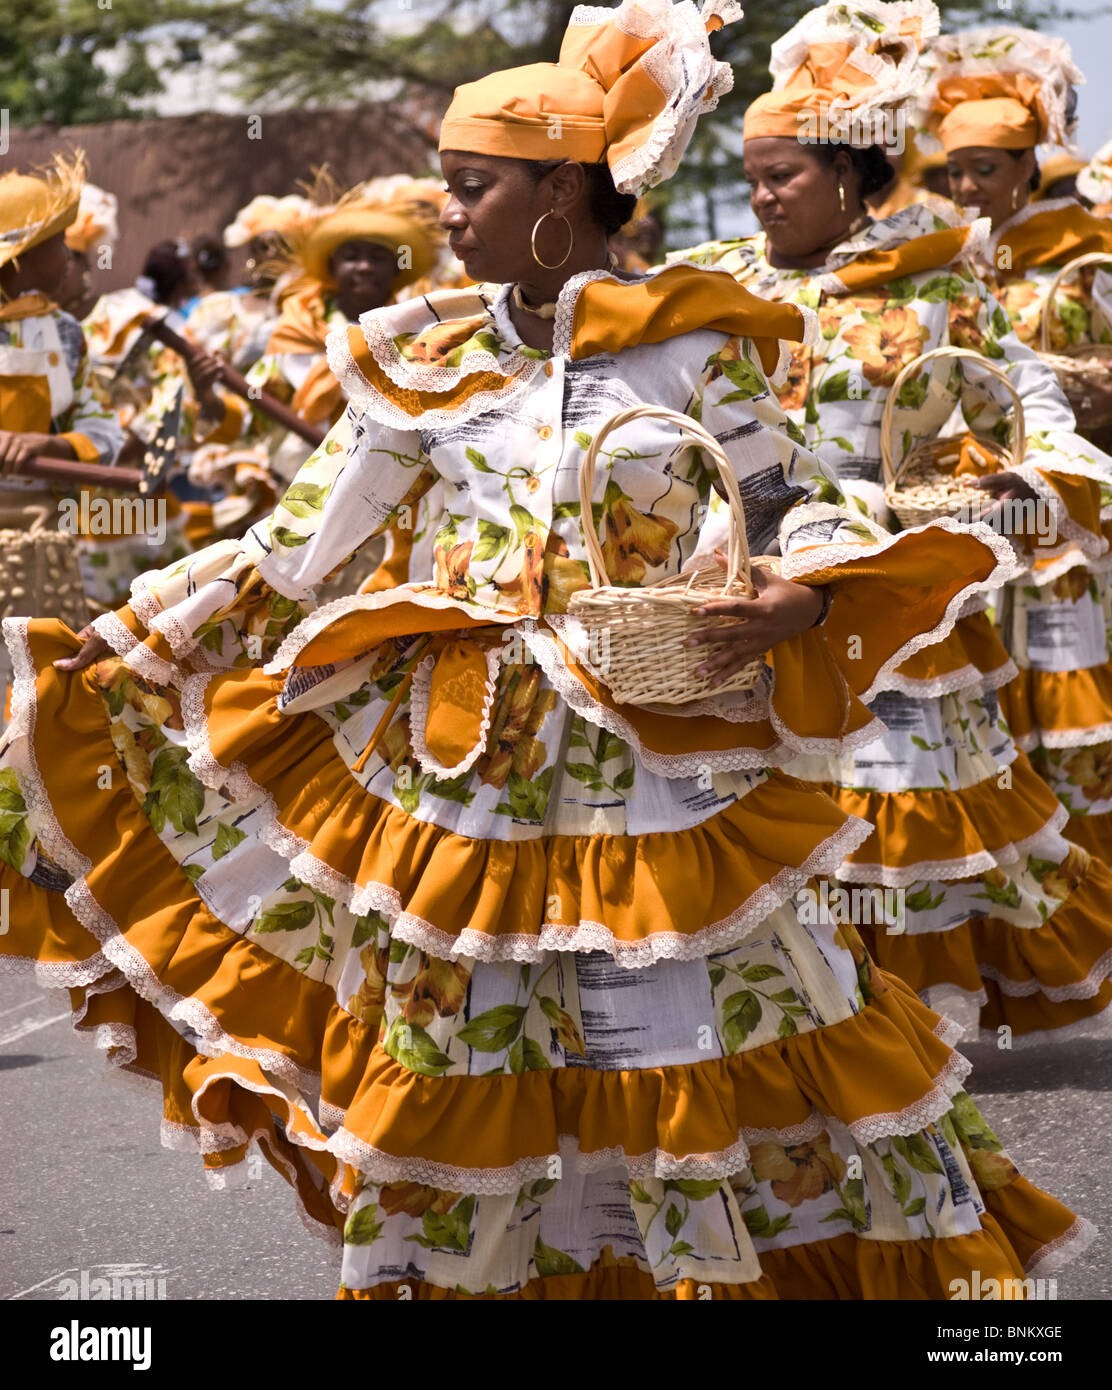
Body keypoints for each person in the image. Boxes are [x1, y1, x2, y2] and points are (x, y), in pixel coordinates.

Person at [0, 0, 1091, 1300]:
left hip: (669, 785)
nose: (449, 221)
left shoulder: (694, 342)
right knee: (476, 1079)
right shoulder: (426, 363)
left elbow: (797, 501)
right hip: (473, 798)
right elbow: (287, 554)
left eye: (473, 190)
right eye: (451, 191)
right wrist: (116, 650)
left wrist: (799, 597)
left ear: (565, 191)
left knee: (702, 1050)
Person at [676, 0, 1112, 1043]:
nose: (758, 193)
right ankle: (803, 1031)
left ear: (845, 173)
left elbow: (1023, 408)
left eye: (779, 173)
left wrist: (1030, 481)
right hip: (749, 597)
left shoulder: (933, 279)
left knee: (889, 818)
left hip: (889, 604)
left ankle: (897, 1037)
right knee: (765, 821)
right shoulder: (716, 285)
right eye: (753, 173)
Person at [919, 26, 1112, 863]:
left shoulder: (1082, 255)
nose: (965, 188)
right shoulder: (939, 268)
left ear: (1030, 168)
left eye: (983, 171)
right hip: (968, 518)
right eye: (954, 172)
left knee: (1069, 711)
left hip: (1057, 524)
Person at [186, 179, 445, 596]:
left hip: (392, 516)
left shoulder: (424, 333)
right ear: (332, 267)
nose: (364, 267)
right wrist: (207, 398)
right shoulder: (293, 336)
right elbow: (247, 422)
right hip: (300, 507)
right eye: (352, 257)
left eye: (378, 258)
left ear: (397, 267)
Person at [0, 153, 124, 720]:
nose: (67, 251)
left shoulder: (66, 334)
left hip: (41, 536)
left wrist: (51, 446)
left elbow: (103, 431)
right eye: (55, 242)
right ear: (20, 262)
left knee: (38, 689)